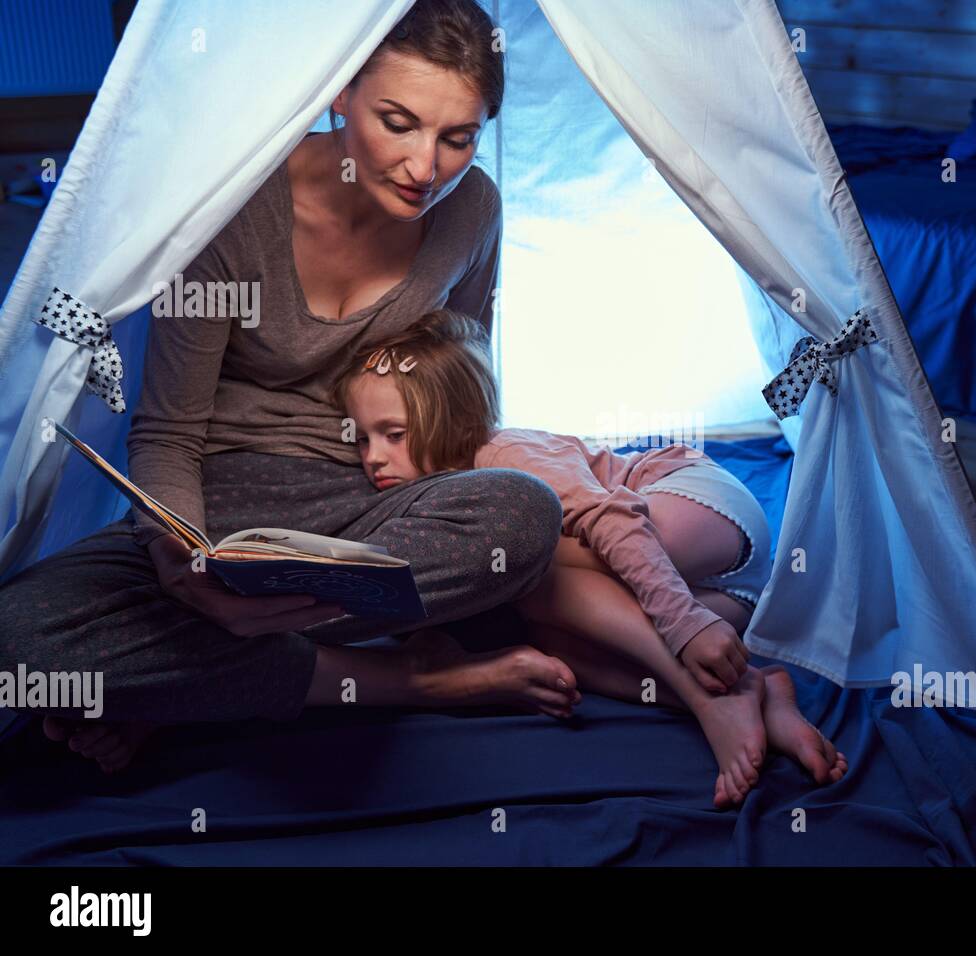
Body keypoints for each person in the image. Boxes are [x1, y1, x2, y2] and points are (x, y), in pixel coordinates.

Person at [0, 0, 566, 772]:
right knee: (15, 647)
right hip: (218, 515)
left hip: (366, 507)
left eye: (458, 137)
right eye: (398, 122)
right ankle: (400, 677)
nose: (426, 166)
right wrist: (180, 567)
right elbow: (168, 435)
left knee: (524, 513)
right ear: (339, 94)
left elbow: (460, 391)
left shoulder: (472, 213)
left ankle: (188, 683)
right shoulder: (236, 207)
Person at [333, 311, 848, 808]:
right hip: (724, 603)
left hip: (692, 507)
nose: (373, 456)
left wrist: (685, 622)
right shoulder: (427, 499)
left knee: (532, 572)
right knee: (548, 635)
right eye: (362, 439)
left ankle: (707, 692)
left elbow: (613, 517)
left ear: (450, 420)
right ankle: (745, 690)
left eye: (393, 435)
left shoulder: (502, 451)